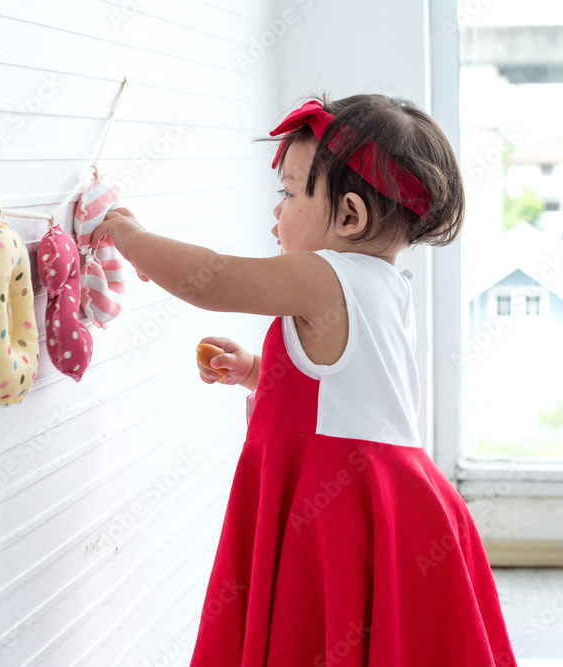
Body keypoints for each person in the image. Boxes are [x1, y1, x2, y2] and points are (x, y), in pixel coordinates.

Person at [89, 93, 517, 666]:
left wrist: (131, 237)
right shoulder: (389, 283)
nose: (276, 211)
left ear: (348, 216)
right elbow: (348, 395)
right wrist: (258, 376)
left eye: (289, 194)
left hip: (333, 504)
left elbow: (207, 281)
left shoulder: (325, 273)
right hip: (394, 497)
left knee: (311, 627)